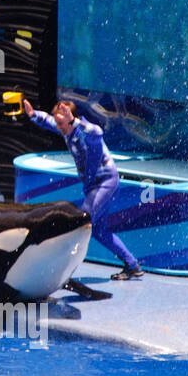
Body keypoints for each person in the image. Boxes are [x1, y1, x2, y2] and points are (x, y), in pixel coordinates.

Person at [22, 98, 143, 281]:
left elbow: (98, 131)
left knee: (79, 223)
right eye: (58, 123)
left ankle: (59, 272)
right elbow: (48, 120)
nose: (58, 126)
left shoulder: (84, 132)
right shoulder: (65, 130)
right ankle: (132, 265)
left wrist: (74, 121)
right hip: (93, 186)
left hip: (105, 182)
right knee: (99, 231)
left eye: (62, 123)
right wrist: (33, 115)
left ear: (72, 119)